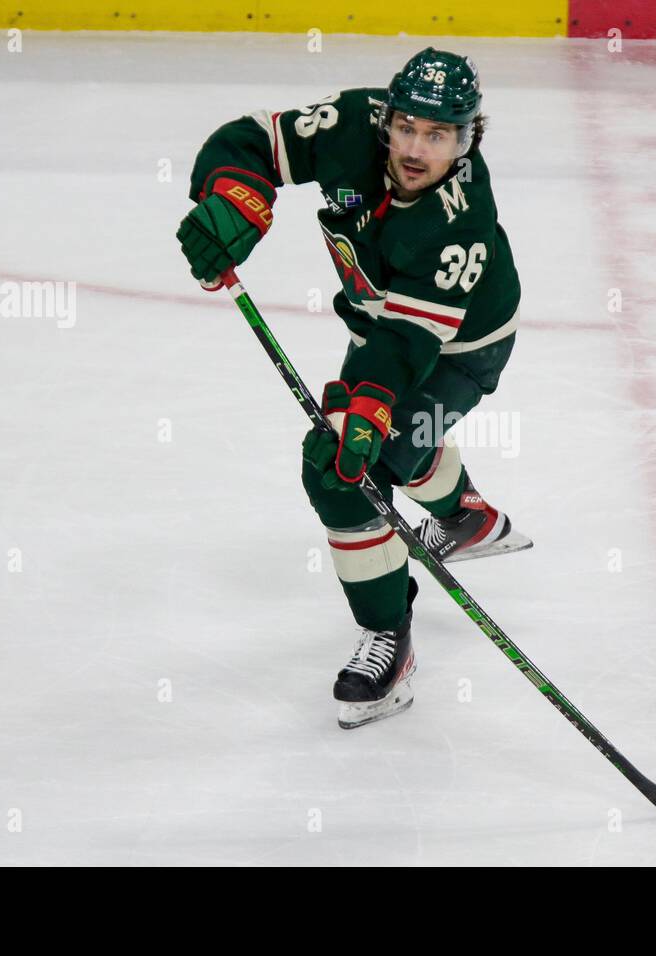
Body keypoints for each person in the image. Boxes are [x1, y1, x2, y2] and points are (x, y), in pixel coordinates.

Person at [177, 48, 530, 729]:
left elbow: (408, 348)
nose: (416, 149)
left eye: (439, 135)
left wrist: (362, 413)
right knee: (392, 440)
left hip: (458, 348)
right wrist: (235, 195)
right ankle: (468, 517)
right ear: (387, 120)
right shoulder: (350, 121)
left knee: (342, 471)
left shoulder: (460, 221)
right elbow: (249, 141)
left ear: (468, 138)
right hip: (384, 323)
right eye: (406, 128)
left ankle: (388, 639)